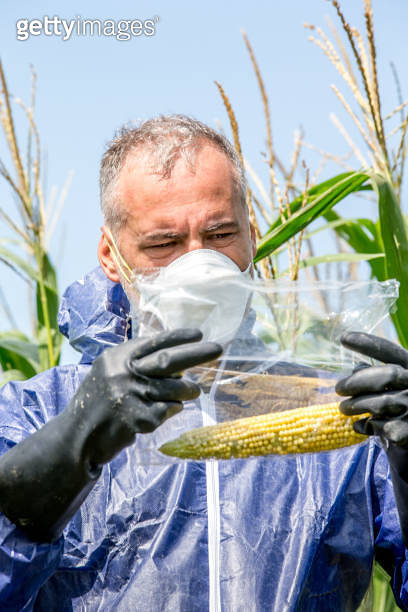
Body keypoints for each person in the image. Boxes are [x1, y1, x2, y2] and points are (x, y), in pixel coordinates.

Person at [0, 115, 408, 611]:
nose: (199, 266)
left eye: (219, 235)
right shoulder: (35, 414)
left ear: (252, 237)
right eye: (163, 244)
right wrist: (67, 448)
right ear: (111, 255)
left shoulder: (348, 414)